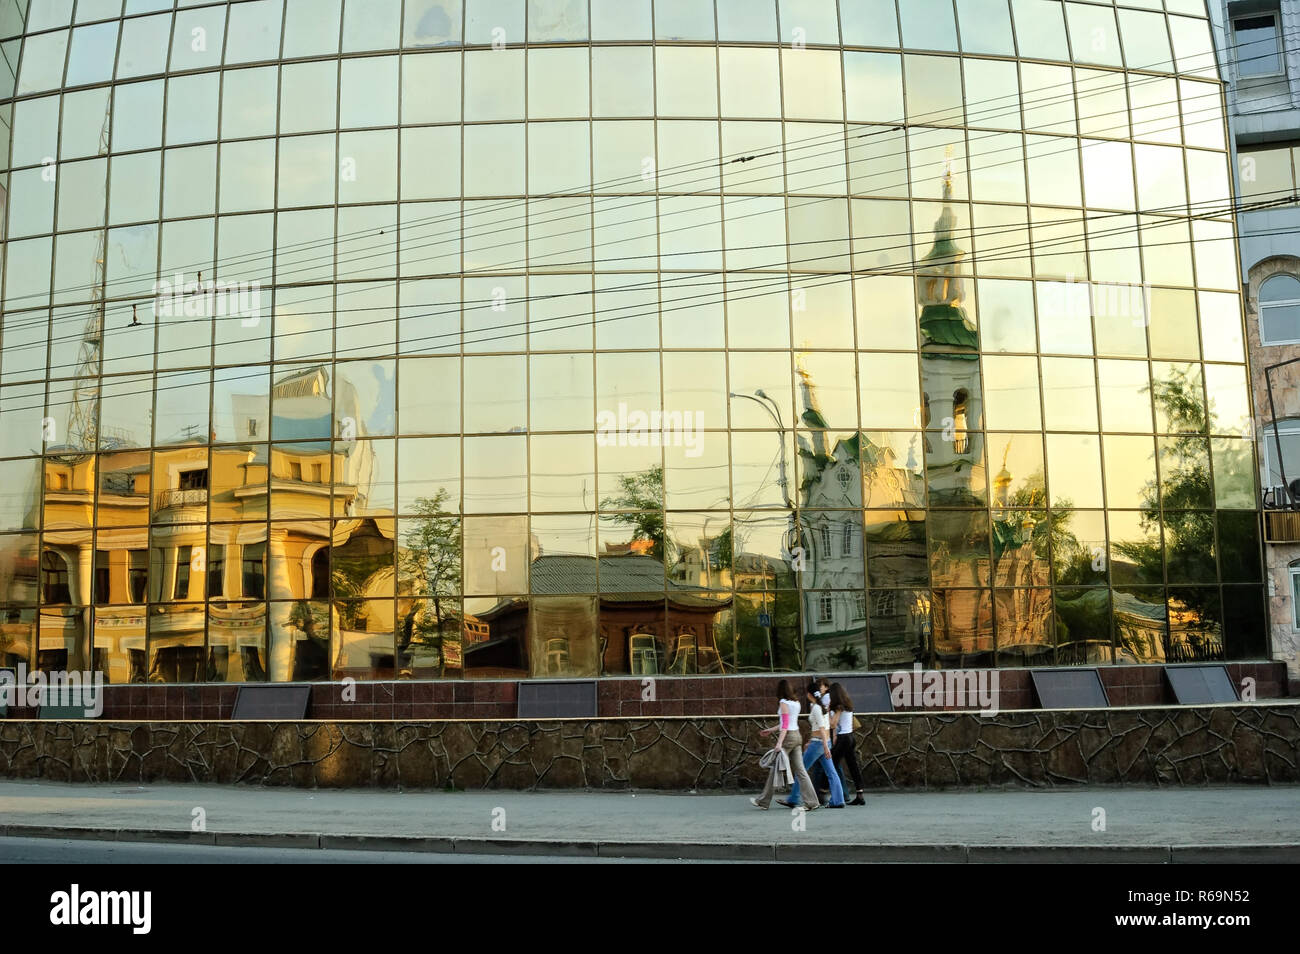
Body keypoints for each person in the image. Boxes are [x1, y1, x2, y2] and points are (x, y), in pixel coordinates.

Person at [750, 680, 820, 811]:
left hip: (788, 738)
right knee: (801, 770)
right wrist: (771, 730)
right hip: (797, 736)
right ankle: (812, 802)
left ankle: (763, 801)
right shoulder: (796, 703)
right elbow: (787, 722)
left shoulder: (783, 703)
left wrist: (779, 743)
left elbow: (785, 725)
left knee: (775, 767)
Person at [783, 681, 845, 808]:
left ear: (809, 694)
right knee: (831, 772)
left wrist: (824, 746)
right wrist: (825, 745)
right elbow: (824, 727)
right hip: (822, 743)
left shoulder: (816, 708)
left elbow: (822, 728)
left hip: (819, 744)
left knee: (801, 770)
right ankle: (838, 800)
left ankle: (794, 798)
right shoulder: (822, 707)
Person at [828, 682, 866, 806]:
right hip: (850, 737)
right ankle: (860, 795)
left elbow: (833, 724)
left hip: (843, 738)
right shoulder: (847, 704)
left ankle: (825, 792)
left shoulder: (839, 707)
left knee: (831, 763)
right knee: (852, 766)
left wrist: (828, 712)